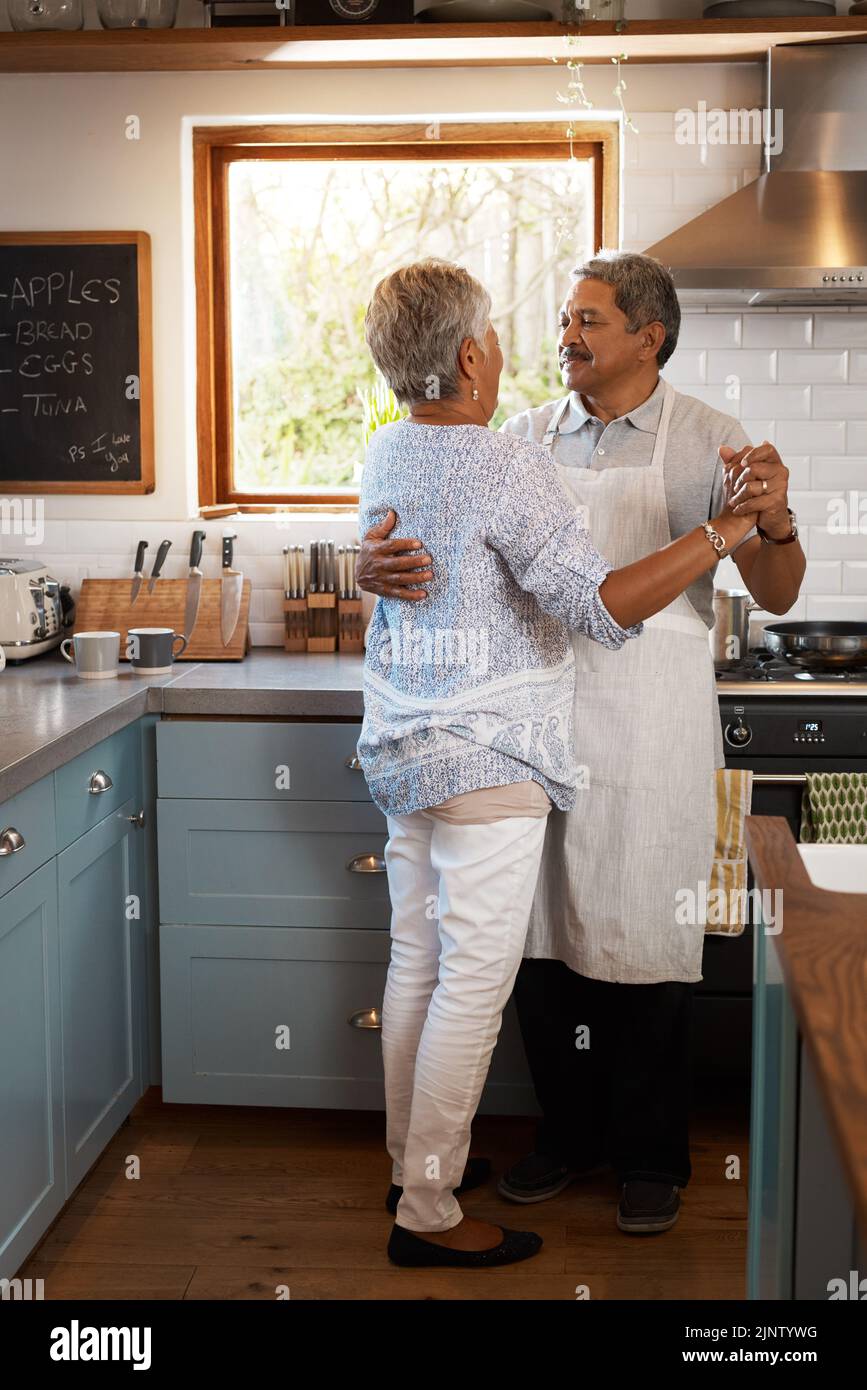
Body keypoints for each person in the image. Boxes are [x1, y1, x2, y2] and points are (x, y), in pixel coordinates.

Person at [358, 251, 805, 1239]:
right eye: (561, 319)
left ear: (650, 333)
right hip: (532, 730)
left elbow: (778, 592)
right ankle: (565, 1137)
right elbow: (446, 541)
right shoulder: (516, 437)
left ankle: (649, 1157)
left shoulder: (711, 440)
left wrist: (768, 521)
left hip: (648, 725)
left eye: (589, 321)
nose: (565, 336)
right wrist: (369, 564)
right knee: (539, 948)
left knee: (643, 938)